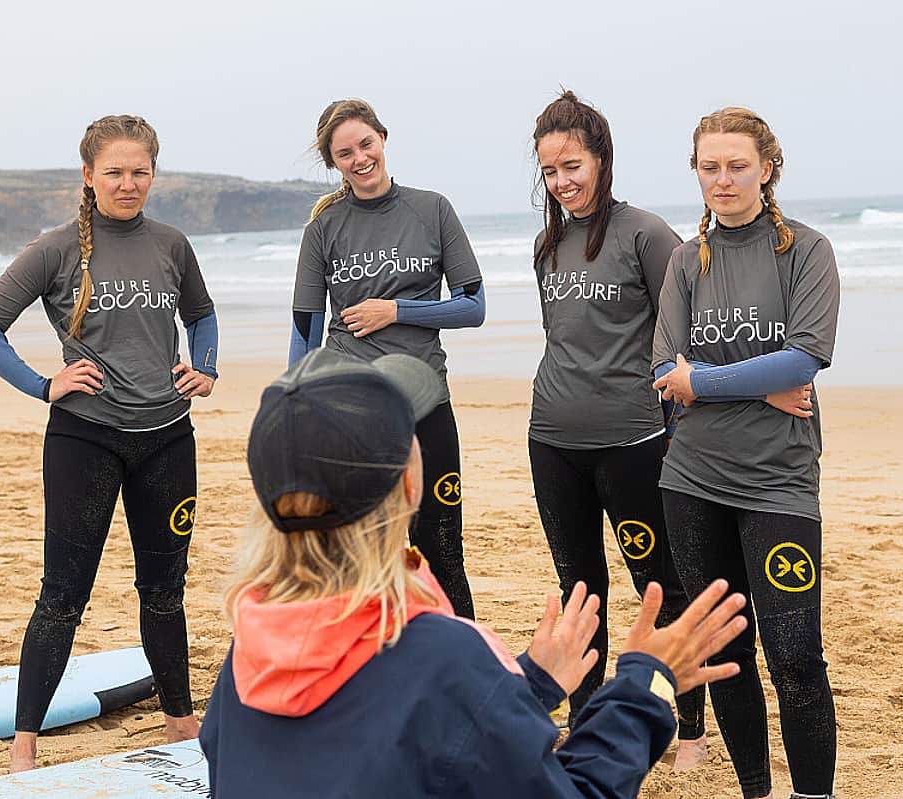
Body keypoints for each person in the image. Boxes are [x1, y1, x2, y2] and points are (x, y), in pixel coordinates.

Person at [198, 347, 750, 798]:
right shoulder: (442, 656)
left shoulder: (249, 649)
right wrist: (644, 684)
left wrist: (526, 688)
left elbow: (384, 753)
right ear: (408, 486)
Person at [0, 114, 218, 772]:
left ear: (153, 173)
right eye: (115, 171)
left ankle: (180, 721)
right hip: (85, 438)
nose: (128, 183)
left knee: (164, 590)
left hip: (167, 437)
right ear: (88, 175)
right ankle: (24, 745)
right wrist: (44, 383)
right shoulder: (55, 250)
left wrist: (205, 364)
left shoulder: (171, 243)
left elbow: (202, 313)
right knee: (62, 594)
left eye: (139, 171)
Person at [651, 107, 840, 799]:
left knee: (796, 660)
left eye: (737, 165)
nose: (722, 179)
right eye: (710, 167)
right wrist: (758, 386)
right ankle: (756, 793)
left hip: (779, 483)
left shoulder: (807, 251)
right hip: (692, 480)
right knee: (724, 654)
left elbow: (808, 356)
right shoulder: (683, 262)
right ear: (697, 172)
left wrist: (705, 379)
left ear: (766, 167)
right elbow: (664, 379)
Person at [526, 90, 707, 767]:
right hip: (551, 438)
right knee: (579, 590)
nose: (563, 182)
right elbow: (560, 337)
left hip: (633, 442)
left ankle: (688, 725)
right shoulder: (546, 245)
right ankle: (587, 715)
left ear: (600, 159)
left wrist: (684, 423)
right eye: (550, 172)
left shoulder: (647, 235)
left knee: (658, 583)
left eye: (572, 165)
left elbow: (684, 338)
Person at [290, 98, 485, 619]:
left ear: (383, 138)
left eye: (365, 144)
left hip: (427, 404)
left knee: (443, 545)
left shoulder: (432, 209)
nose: (359, 159)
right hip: (353, 410)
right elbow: (305, 329)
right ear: (334, 164)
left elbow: (473, 307)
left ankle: (460, 671)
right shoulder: (324, 228)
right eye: (345, 153)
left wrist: (395, 310)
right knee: (363, 551)